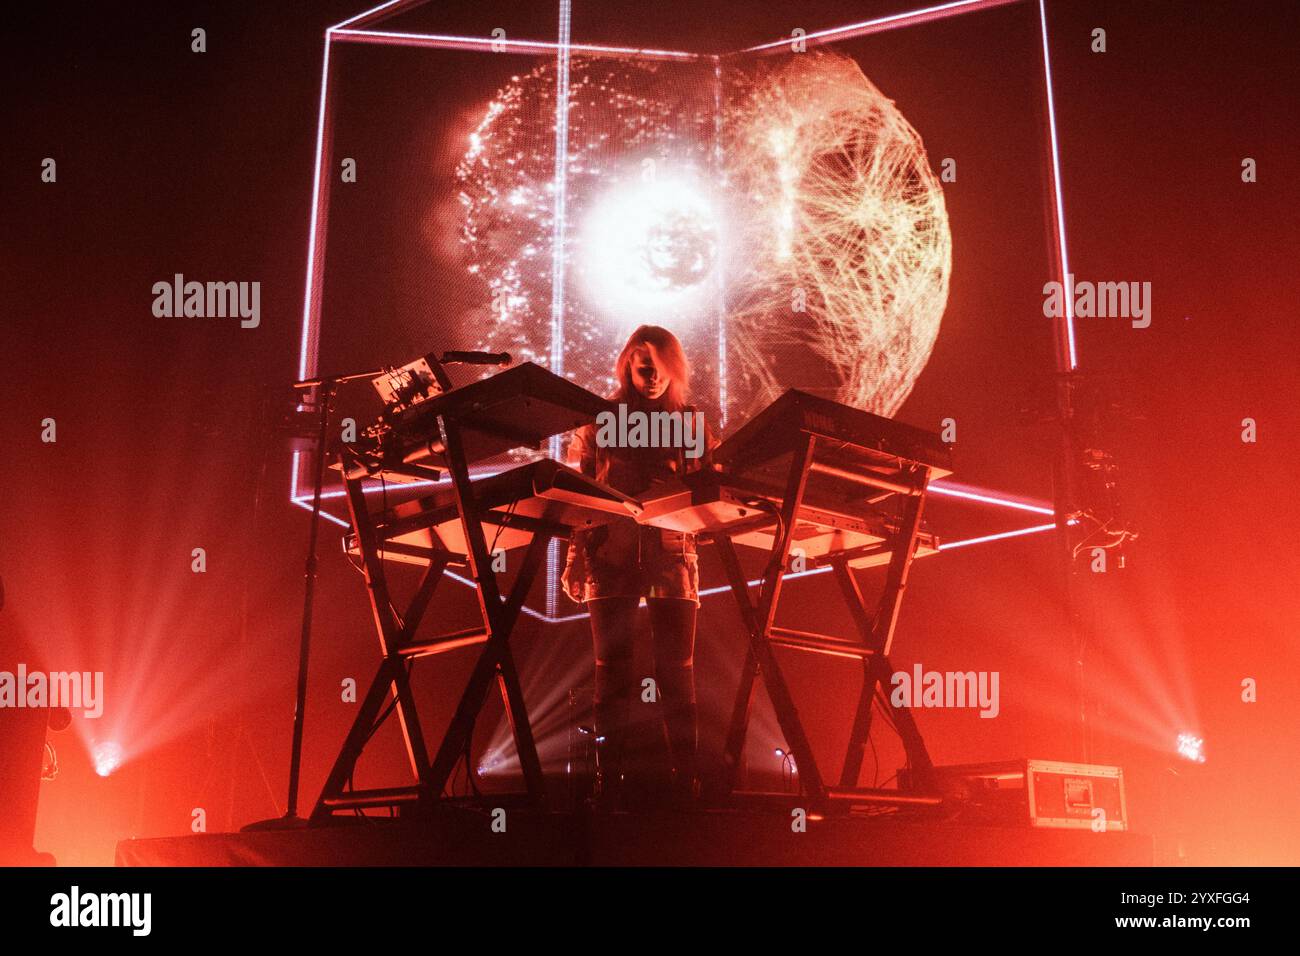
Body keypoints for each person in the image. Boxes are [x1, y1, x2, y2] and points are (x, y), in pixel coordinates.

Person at [561, 326, 719, 807]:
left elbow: (712, 493)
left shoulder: (692, 423)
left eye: (660, 367)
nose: (652, 376)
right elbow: (578, 492)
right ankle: (608, 785)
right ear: (627, 365)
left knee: (677, 670)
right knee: (612, 671)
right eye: (642, 366)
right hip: (610, 553)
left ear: (675, 367)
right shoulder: (596, 421)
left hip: (673, 553)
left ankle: (686, 784)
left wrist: (700, 522)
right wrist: (573, 558)